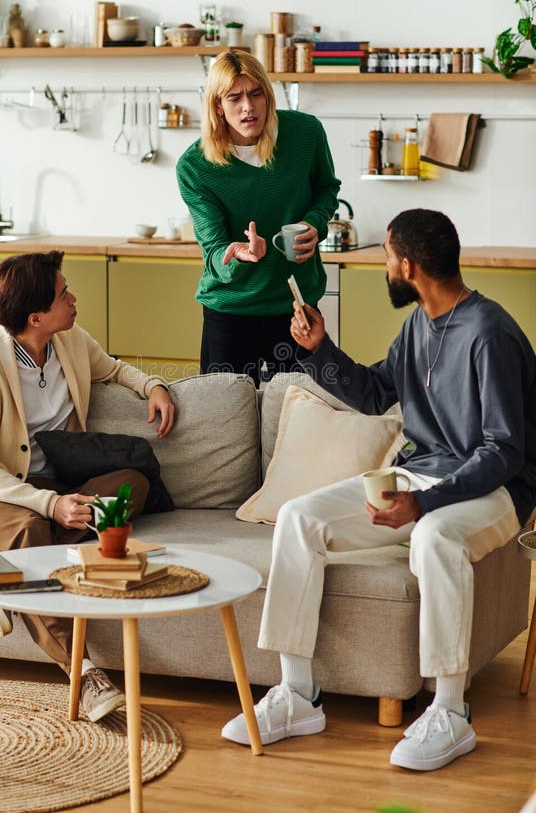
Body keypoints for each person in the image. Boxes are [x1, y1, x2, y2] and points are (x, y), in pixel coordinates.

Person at [222, 208, 536, 771]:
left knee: (434, 536)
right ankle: (298, 694)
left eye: (387, 256)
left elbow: (503, 450)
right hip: (423, 474)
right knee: (299, 517)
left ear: (409, 266)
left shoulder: (490, 334)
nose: (384, 267)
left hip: (499, 490)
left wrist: (426, 502)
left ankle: (449, 710)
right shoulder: (418, 324)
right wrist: (320, 350)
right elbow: (374, 393)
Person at [0, 251, 175, 722]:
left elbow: (113, 368)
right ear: (35, 316)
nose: (74, 298)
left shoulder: (68, 340)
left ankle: (6, 579)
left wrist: (154, 387)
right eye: (64, 294)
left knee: (130, 483)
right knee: (28, 528)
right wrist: (50, 505)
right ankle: (84, 675)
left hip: (45, 482)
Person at [176, 49, 341, 386]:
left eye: (256, 94)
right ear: (218, 107)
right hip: (230, 311)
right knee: (226, 424)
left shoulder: (305, 133)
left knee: (303, 418)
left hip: (296, 306)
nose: (248, 107)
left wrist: (316, 222)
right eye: (234, 98)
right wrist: (236, 254)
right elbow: (214, 253)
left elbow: (327, 189)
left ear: (268, 95)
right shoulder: (195, 166)